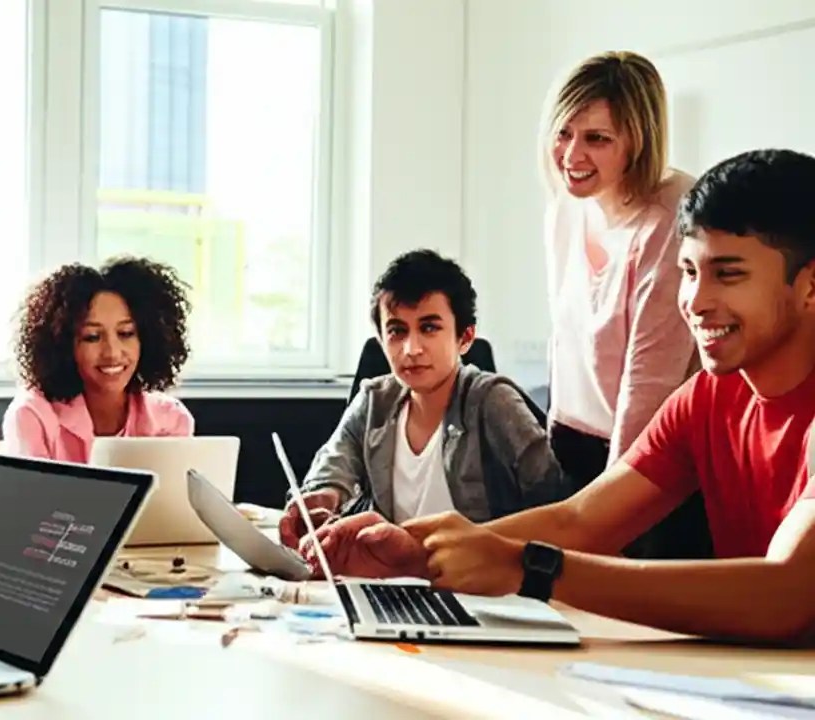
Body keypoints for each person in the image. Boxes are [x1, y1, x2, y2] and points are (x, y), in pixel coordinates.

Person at [308, 149, 815, 645]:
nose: (696, 302)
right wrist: (418, 554)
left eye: (728, 274)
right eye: (687, 272)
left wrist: (530, 567)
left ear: (810, 285)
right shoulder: (707, 397)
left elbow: (790, 593)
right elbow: (581, 520)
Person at [279, 250, 567, 550]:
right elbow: (333, 466)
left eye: (429, 328)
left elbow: (555, 508)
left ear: (465, 337)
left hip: (479, 585)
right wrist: (321, 496)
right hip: (392, 582)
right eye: (397, 331)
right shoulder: (375, 401)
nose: (411, 349)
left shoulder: (493, 401)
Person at [542, 51, 698, 485]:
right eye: (564, 133)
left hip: (645, 452)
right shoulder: (565, 210)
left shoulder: (669, 216)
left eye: (597, 139)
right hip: (570, 439)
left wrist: (608, 500)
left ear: (638, 141)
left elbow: (649, 381)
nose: (572, 154)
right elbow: (564, 344)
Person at [4, 255, 194, 462]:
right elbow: (32, 494)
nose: (112, 352)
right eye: (92, 337)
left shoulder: (170, 419)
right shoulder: (33, 415)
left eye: (126, 333)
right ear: (63, 343)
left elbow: (174, 494)